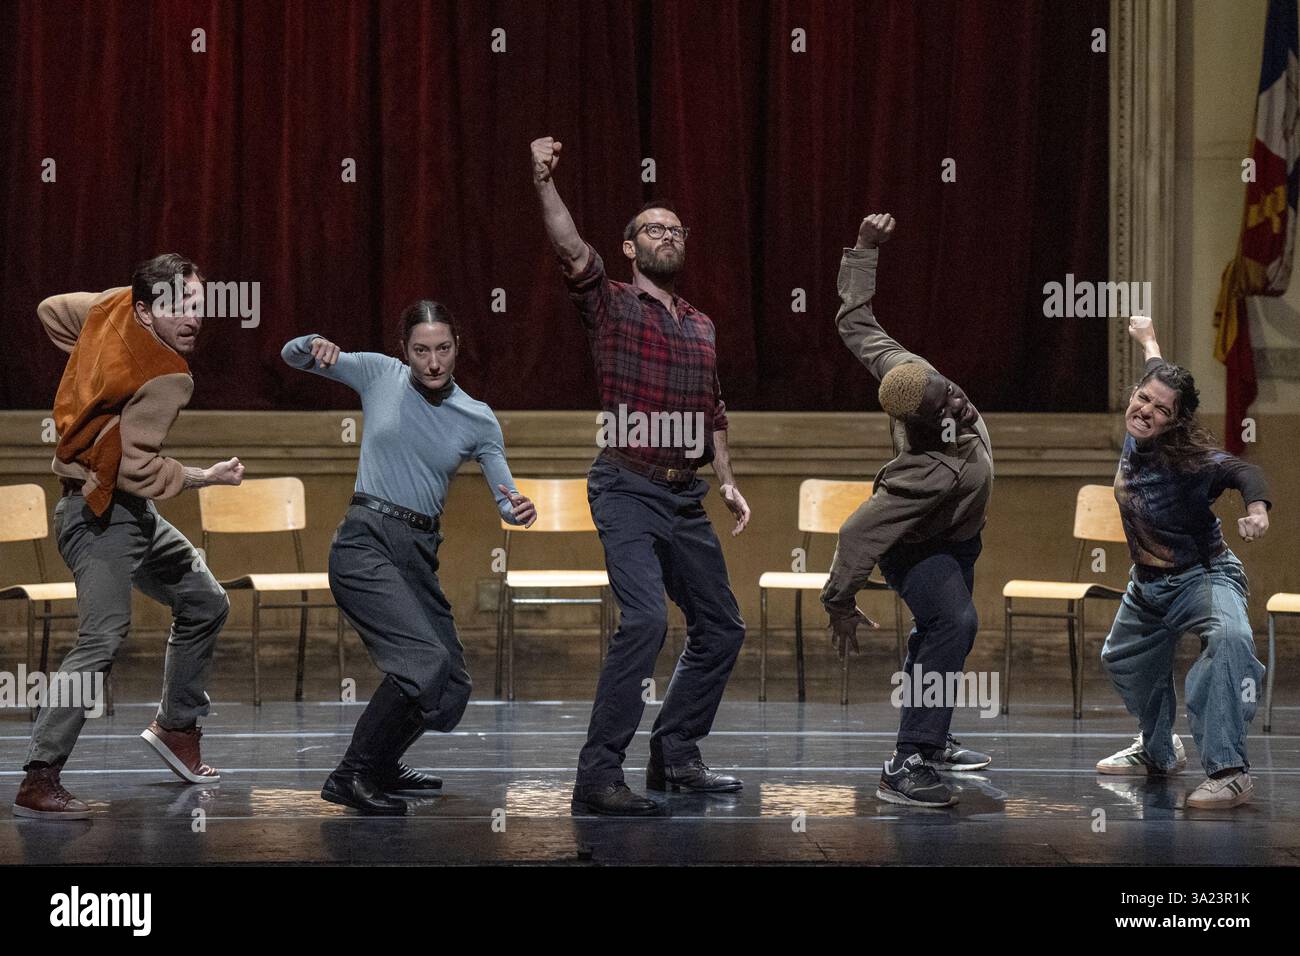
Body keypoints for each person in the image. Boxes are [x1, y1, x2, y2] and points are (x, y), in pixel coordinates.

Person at [531, 135, 750, 816]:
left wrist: (728, 478)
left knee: (722, 626)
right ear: (629, 247)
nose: (666, 236)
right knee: (647, 621)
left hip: (685, 496)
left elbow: (713, 409)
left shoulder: (703, 326)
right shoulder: (613, 304)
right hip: (626, 485)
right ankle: (597, 777)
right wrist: (543, 181)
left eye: (675, 229)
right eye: (653, 228)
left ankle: (676, 754)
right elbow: (569, 246)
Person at [282, 301, 536, 815]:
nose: (434, 362)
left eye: (443, 349)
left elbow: (504, 488)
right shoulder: (380, 374)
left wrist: (516, 504)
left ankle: (383, 762)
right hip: (365, 541)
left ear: (457, 347)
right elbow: (292, 356)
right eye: (421, 350)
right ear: (405, 351)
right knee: (423, 661)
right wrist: (313, 344)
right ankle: (351, 774)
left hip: (418, 551)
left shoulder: (478, 418)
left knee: (452, 685)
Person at [13, 254, 243, 820]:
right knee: (101, 637)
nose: (191, 318)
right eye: (175, 307)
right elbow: (140, 470)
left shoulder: (112, 311)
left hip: (130, 512)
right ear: (145, 310)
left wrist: (108, 340)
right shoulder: (168, 375)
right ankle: (40, 777)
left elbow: (51, 311)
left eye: (197, 305)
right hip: (97, 517)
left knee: (204, 600)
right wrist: (203, 476)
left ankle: (175, 727)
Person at [819, 214, 994, 809]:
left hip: (959, 539)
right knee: (955, 624)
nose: (958, 398)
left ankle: (934, 738)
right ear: (918, 422)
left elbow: (854, 322)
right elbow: (855, 533)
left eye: (948, 387)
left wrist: (864, 247)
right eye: (944, 402)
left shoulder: (910, 372)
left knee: (937, 633)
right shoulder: (919, 472)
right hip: (919, 548)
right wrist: (839, 600)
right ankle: (908, 759)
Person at [1095, 316, 1270, 810]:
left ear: (1175, 421)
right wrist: (1149, 338)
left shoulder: (1189, 461)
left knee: (1231, 640)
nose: (1145, 410)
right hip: (1147, 583)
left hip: (1202, 576)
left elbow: (1244, 470)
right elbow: (1158, 370)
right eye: (1142, 398)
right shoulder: (1138, 427)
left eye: (1159, 409)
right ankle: (1157, 751)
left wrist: (1256, 512)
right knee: (1125, 662)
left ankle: (1230, 771)